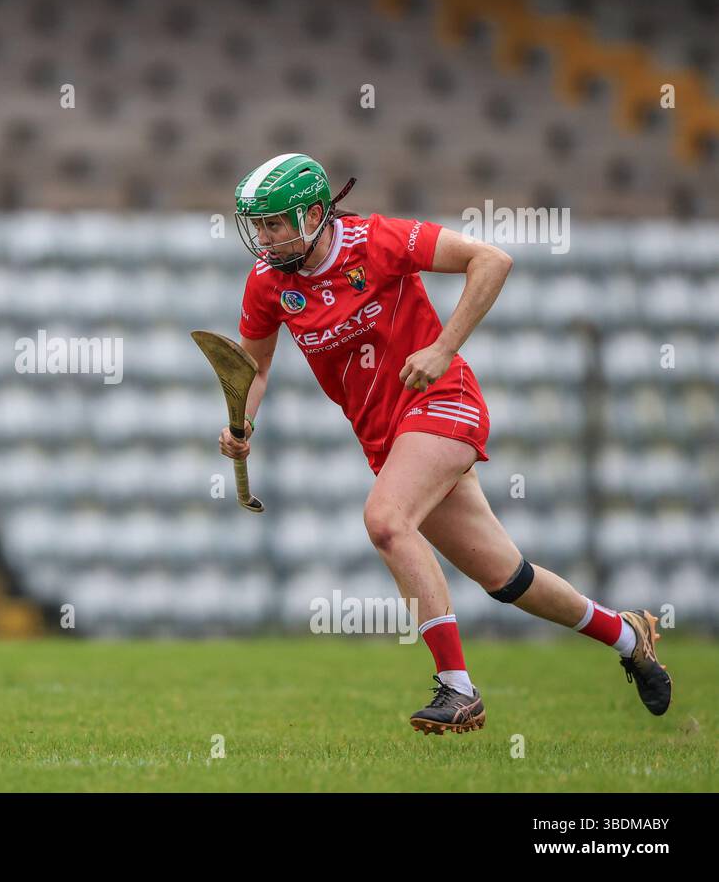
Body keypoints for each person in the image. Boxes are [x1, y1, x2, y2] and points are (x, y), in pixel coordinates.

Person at [221, 152, 671, 734]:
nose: (263, 238)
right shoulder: (268, 284)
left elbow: (492, 260)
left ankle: (458, 689)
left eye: (274, 223)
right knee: (507, 578)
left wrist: (443, 348)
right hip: (385, 438)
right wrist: (242, 425)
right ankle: (628, 636)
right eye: (257, 226)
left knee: (386, 520)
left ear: (312, 215)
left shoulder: (375, 241)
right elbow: (254, 369)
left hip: (442, 401)